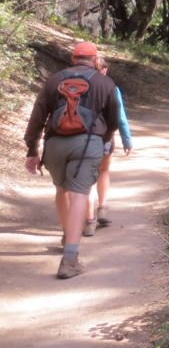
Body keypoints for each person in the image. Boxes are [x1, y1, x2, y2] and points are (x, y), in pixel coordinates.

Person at [23, 41, 120, 279]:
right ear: (95, 59)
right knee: (80, 194)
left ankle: (68, 233)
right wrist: (105, 139)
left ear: (73, 58)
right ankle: (69, 259)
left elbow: (37, 117)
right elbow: (113, 119)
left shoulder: (54, 81)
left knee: (61, 189)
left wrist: (32, 150)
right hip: (87, 144)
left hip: (54, 144)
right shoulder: (104, 82)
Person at [84, 56, 132, 235]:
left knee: (86, 178)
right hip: (104, 137)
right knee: (103, 171)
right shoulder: (111, 87)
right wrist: (127, 139)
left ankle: (89, 222)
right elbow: (120, 116)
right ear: (104, 70)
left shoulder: (79, 85)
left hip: (81, 137)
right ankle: (102, 208)